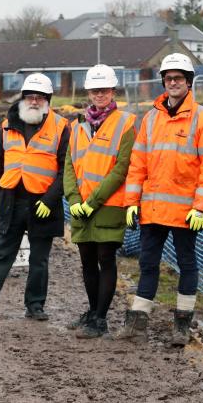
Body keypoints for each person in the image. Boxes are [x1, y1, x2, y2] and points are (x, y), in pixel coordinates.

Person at [118, 53, 203, 346]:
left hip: (186, 212)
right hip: (152, 209)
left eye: (178, 78)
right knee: (148, 264)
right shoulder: (151, 118)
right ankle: (137, 323)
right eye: (168, 78)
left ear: (188, 82)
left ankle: (182, 326)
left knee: (187, 265)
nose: (173, 82)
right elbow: (137, 164)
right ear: (163, 81)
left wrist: (201, 207)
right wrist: (131, 202)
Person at [0, 73, 69, 321]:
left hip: (42, 202)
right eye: (30, 96)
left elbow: (66, 170)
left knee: (39, 259)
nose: (34, 101)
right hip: (11, 199)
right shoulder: (8, 124)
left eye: (40, 97)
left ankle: (35, 305)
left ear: (48, 100)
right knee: (1, 253)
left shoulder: (61, 126)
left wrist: (50, 200)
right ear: (22, 98)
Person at [63, 64, 135, 338]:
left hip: (108, 205)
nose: (99, 95)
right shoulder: (77, 127)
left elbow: (121, 168)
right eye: (95, 90)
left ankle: (101, 318)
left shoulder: (125, 123)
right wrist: (73, 199)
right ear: (89, 93)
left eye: (104, 90)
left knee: (106, 258)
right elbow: (69, 165)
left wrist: (91, 202)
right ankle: (92, 312)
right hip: (81, 206)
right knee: (86, 261)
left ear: (113, 91)